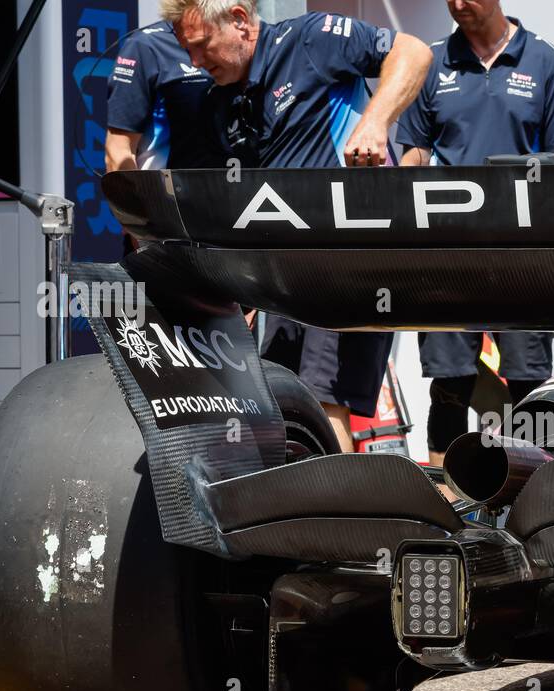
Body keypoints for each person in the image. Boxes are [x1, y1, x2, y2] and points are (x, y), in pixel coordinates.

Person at [160, 0, 432, 451]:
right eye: (186, 51)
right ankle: (294, 514)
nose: (195, 62)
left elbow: (414, 52)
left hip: (346, 257)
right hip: (280, 279)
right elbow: (233, 208)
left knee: (320, 400)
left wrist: (375, 122)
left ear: (240, 22)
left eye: (202, 45)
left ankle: (340, 517)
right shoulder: (217, 103)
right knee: (277, 399)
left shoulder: (311, 38)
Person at [398, 0, 554, 473]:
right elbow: (414, 153)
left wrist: (521, 174)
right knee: (449, 383)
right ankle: (446, 504)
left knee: (528, 385)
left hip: (522, 253)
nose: (459, 4)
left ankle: (529, 496)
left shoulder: (543, 59)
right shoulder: (432, 60)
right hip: (447, 253)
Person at [105, 20, 225, 173]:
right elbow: (118, 150)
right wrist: (138, 196)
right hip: (164, 193)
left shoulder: (239, 39)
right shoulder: (146, 45)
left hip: (232, 191)